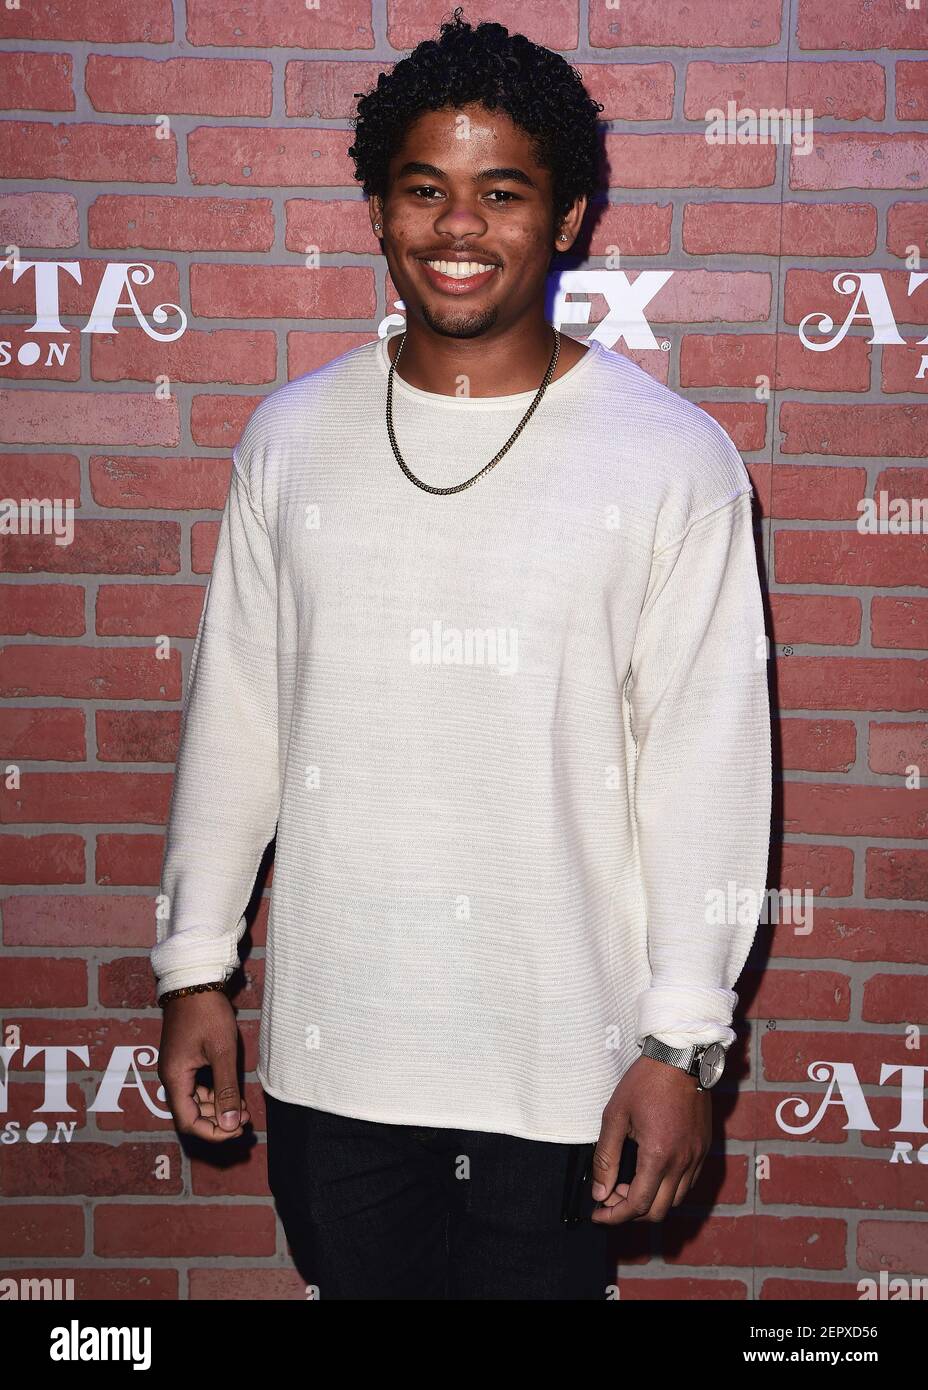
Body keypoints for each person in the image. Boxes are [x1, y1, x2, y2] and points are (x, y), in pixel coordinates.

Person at [152, 9, 772, 1300]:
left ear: (571, 215)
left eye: (502, 192)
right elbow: (240, 722)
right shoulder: (289, 438)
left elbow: (707, 770)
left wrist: (682, 1041)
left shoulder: (673, 458)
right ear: (378, 208)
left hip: (563, 1051)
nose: (457, 229)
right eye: (424, 190)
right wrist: (196, 965)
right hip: (340, 1051)